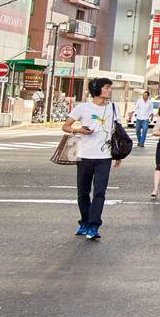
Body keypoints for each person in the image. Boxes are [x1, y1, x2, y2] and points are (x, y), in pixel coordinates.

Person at [62, 77, 123, 241]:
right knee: (83, 192)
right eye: (107, 87)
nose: (110, 90)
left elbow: (118, 132)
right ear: (97, 89)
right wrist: (79, 130)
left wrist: (119, 155)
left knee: (99, 192)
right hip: (84, 155)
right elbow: (66, 126)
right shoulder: (83, 107)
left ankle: (94, 225)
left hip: (105, 156)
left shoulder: (114, 108)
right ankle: (84, 222)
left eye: (110, 87)